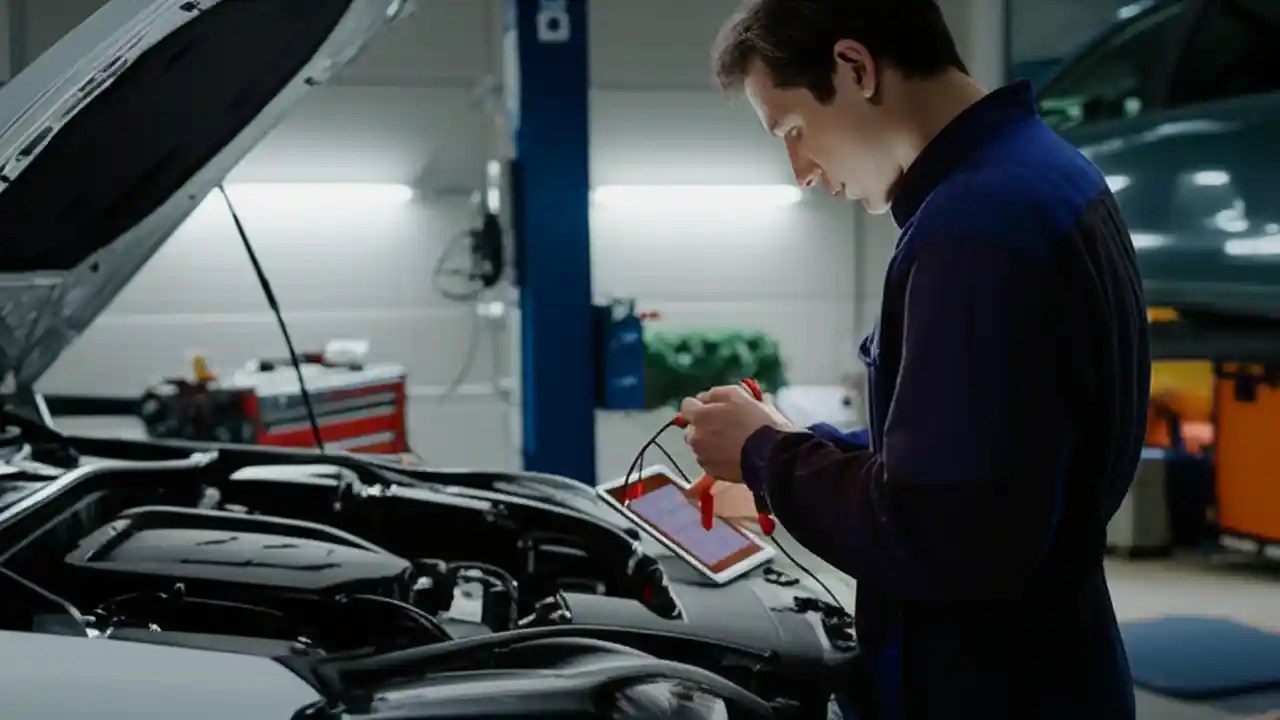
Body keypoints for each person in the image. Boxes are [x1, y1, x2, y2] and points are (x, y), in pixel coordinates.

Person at [680, 1, 1150, 718]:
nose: (801, 171)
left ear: (856, 68)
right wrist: (801, 452)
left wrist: (764, 457)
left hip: (985, 687)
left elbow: (939, 531)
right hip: (1050, 661)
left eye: (795, 131)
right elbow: (993, 460)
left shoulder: (973, 232)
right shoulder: (1047, 175)